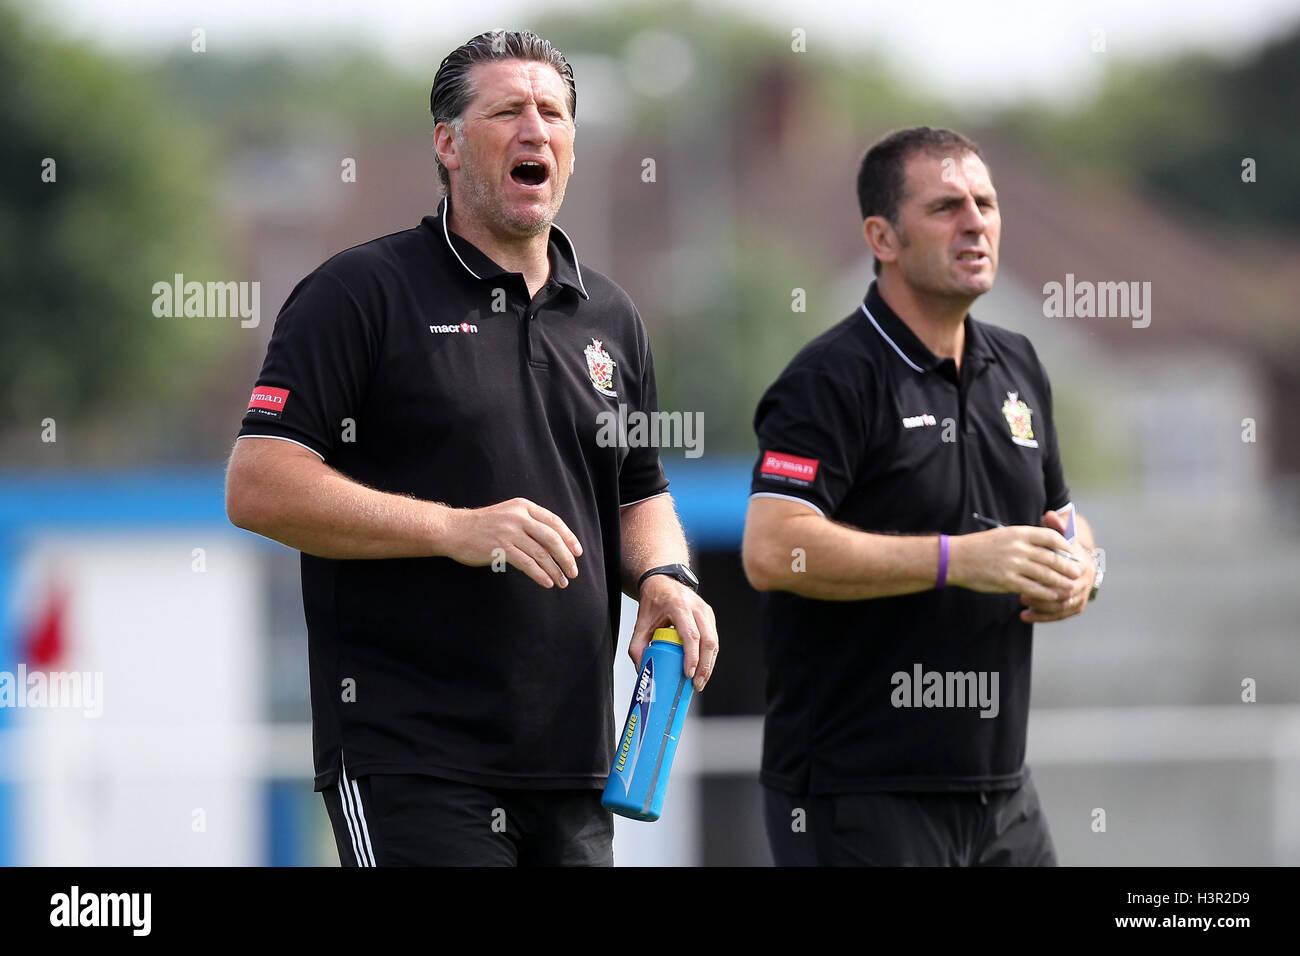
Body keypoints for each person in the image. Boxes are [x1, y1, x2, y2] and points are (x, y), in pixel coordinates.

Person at [224, 30, 718, 867]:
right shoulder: (360, 293)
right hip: (413, 762)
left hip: (574, 767)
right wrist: (453, 528)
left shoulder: (611, 317)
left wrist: (665, 576)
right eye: (508, 111)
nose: (536, 130)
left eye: (553, 113)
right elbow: (259, 483)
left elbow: (640, 492)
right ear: (448, 145)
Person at [742, 127, 1102, 866]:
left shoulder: (1019, 364)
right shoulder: (830, 378)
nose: (975, 222)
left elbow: (1065, 520)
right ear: (883, 237)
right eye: (945, 207)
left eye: (985, 203)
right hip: (859, 794)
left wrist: (1084, 573)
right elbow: (773, 549)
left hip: (1003, 796)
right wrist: (955, 560)